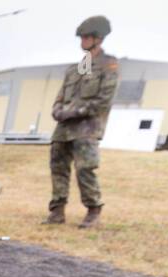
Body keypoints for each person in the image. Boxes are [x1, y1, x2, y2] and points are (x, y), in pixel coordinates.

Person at [44, 15, 119, 229]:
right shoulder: (75, 69)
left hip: (87, 128)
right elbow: (60, 96)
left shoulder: (108, 65)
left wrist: (74, 112)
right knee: (58, 168)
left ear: (98, 38)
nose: (82, 41)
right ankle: (57, 211)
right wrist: (58, 110)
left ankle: (93, 210)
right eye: (81, 37)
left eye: (86, 37)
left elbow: (103, 100)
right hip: (63, 128)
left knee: (85, 169)